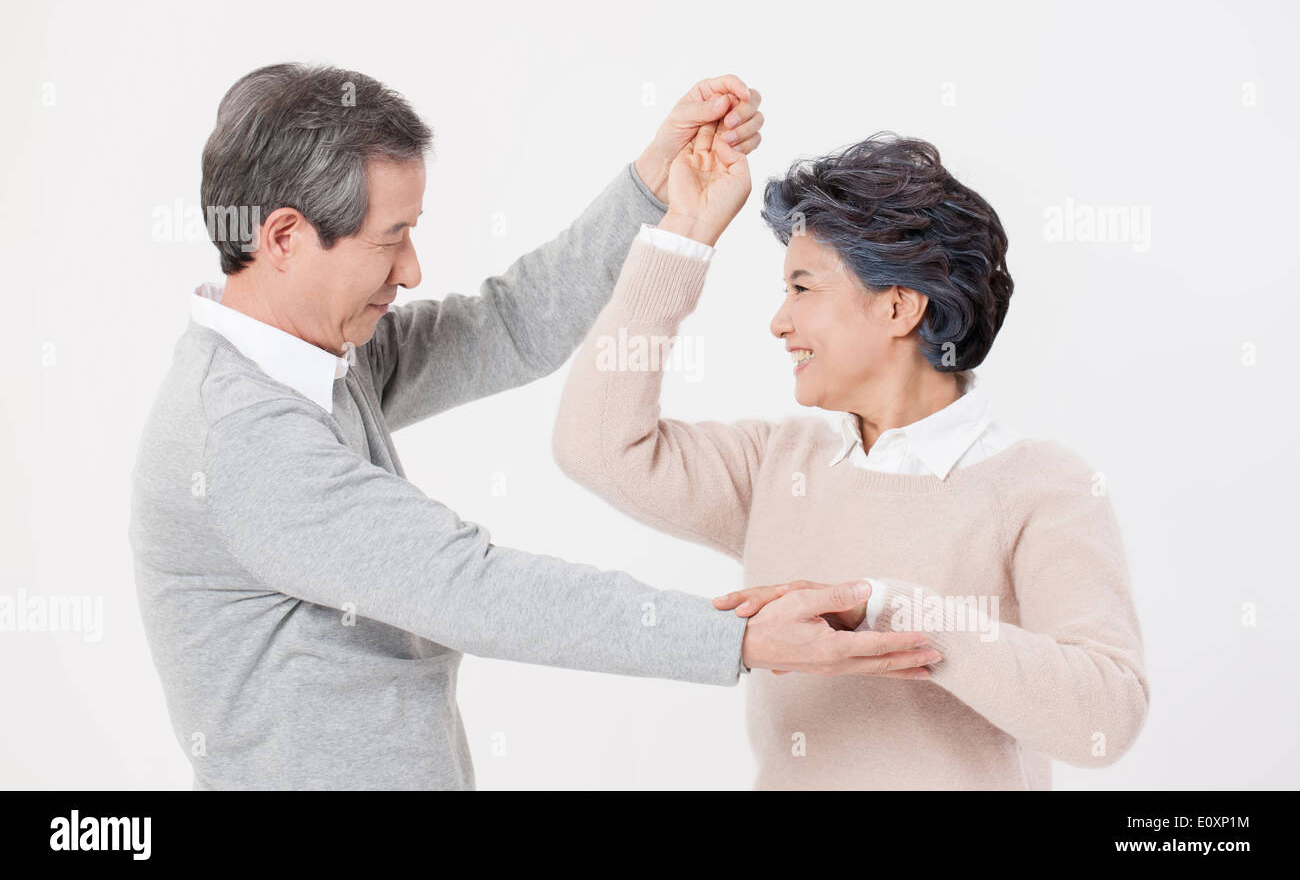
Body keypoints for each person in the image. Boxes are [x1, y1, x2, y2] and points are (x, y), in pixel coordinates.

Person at [128, 64, 935, 790]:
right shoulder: (243, 435)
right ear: (283, 238)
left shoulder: (320, 358)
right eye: (391, 238)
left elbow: (508, 325)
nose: (411, 270)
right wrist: (742, 638)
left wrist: (653, 186)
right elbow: (469, 588)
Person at [552, 122, 1150, 789]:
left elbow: (1107, 715)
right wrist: (684, 232)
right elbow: (596, 444)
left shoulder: (1042, 485)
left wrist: (889, 608)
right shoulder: (777, 463)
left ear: (897, 307)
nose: (779, 322)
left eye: (803, 289)